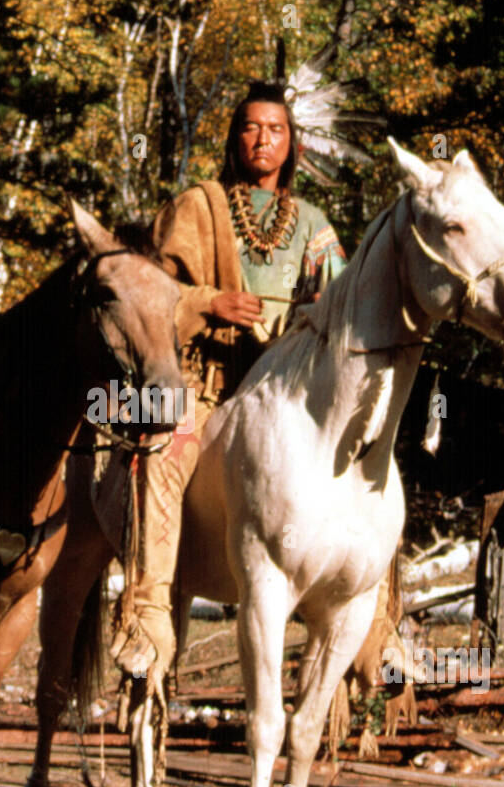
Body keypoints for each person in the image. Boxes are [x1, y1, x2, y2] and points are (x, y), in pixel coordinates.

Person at [110, 81, 347, 679]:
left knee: (367, 465)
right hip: (209, 382)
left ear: (292, 144)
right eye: (251, 127)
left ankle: (377, 632)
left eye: (277, 130)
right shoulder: (198, 206)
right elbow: (149, 292)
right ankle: (146, 616)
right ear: (234, 137)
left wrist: (317, 315)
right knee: (161, 454)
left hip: (286, 391)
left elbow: (342, 302)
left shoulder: (313, 224)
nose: (263, 139)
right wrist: (210, 301)